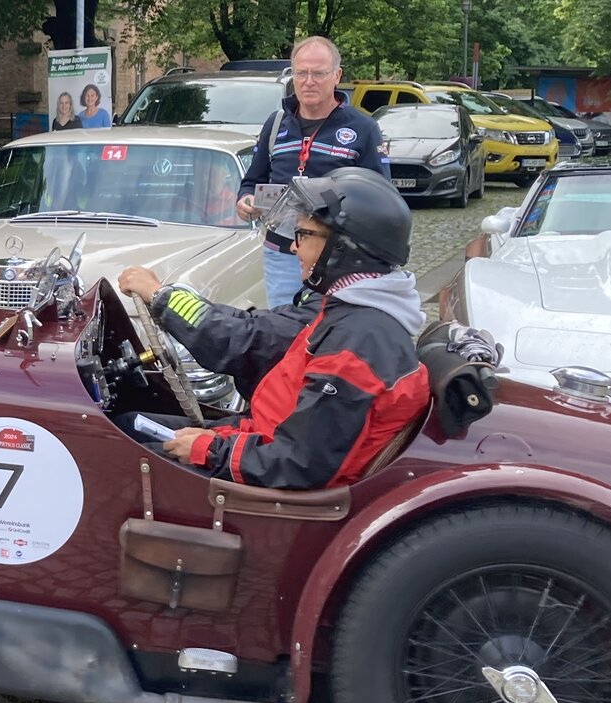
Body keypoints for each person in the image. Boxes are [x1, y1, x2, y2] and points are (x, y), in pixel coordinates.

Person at [118, 166, 428, 490]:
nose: (294, 247)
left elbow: (299, 463)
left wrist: (208, 449)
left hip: (269, 480)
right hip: (259, 440)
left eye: (304, 235)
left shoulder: (358, 344)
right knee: (127, 426)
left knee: (115, 456)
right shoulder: (351, 313)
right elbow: (255, 331)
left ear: (342, 248)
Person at [238, 36, 386, 307]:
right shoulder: (275, 124)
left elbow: (381, 198)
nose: (308, 81)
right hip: (282, 254)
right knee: (283, 333)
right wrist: (245, 199)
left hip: (337, 258)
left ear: (336, 75)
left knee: (331, 335)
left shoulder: (363, 129)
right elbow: (252, 181)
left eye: (318, 73)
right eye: (301, 73)